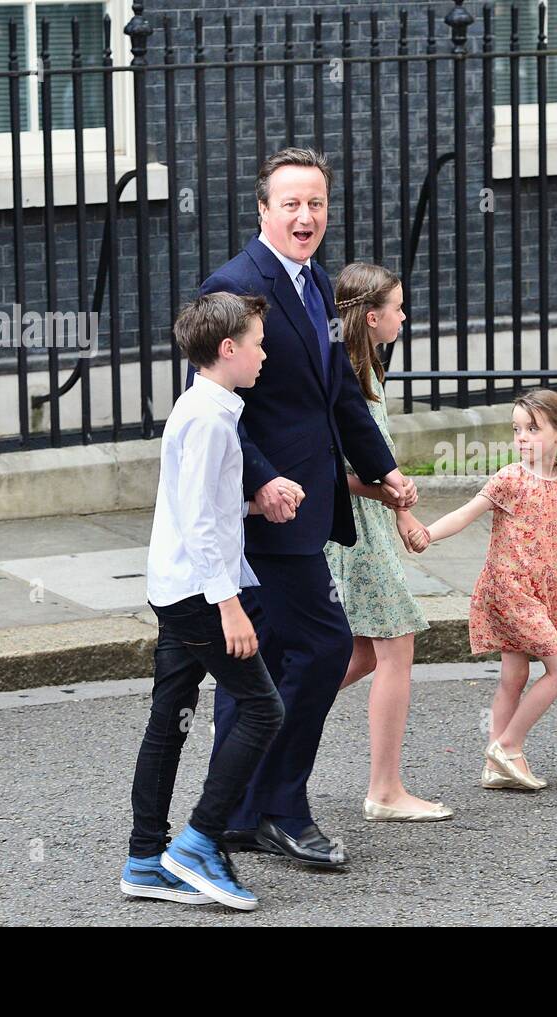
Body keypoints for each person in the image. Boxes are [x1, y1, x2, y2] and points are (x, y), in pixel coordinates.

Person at [192, 147, 419, 870]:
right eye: (289, 203)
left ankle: (230, 813)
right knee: (323, 647)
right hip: (265, 514)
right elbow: (220, 404)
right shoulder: (233, 284)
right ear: (262, 210)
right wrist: (258, 479)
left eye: (315, 202)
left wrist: (383, 470)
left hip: (312, 503)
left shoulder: (316, 280)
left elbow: (337, 396)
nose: (305, 215)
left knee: (255, 659)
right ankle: (283, 808)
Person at [121, 292, 286, 912]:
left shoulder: (203, 408)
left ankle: (144, 859)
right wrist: (229, 604)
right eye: (257, 343)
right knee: (263, 710)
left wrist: (255, 503)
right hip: (199, 595)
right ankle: (197, 843)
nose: (263, 353)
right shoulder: (211, 417)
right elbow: (197, 520)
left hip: (178, 588)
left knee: (170, 718)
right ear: (228, 349)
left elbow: (205, 508)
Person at [407, 391, 557, 790]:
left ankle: (495, 767)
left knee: (514, 676)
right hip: (510, 588)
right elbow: (466, 513)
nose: (521, 437)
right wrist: (428, 534)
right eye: (517, 428)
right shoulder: (510, 479)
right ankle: (508, 746)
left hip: (544, 591)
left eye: (532, 429)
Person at [325, 262, 452, 822]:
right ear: (372, 316)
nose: (404, 316)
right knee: (395, 645)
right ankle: (384, 790)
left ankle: (268, 718)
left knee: (357, 651)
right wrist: (385, 499)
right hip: (354, 529)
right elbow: (328, 468)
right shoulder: (345, 376)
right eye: (398, 308)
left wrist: (400, 510)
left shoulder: (367, 367)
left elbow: (377, 457)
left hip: (372, 522)